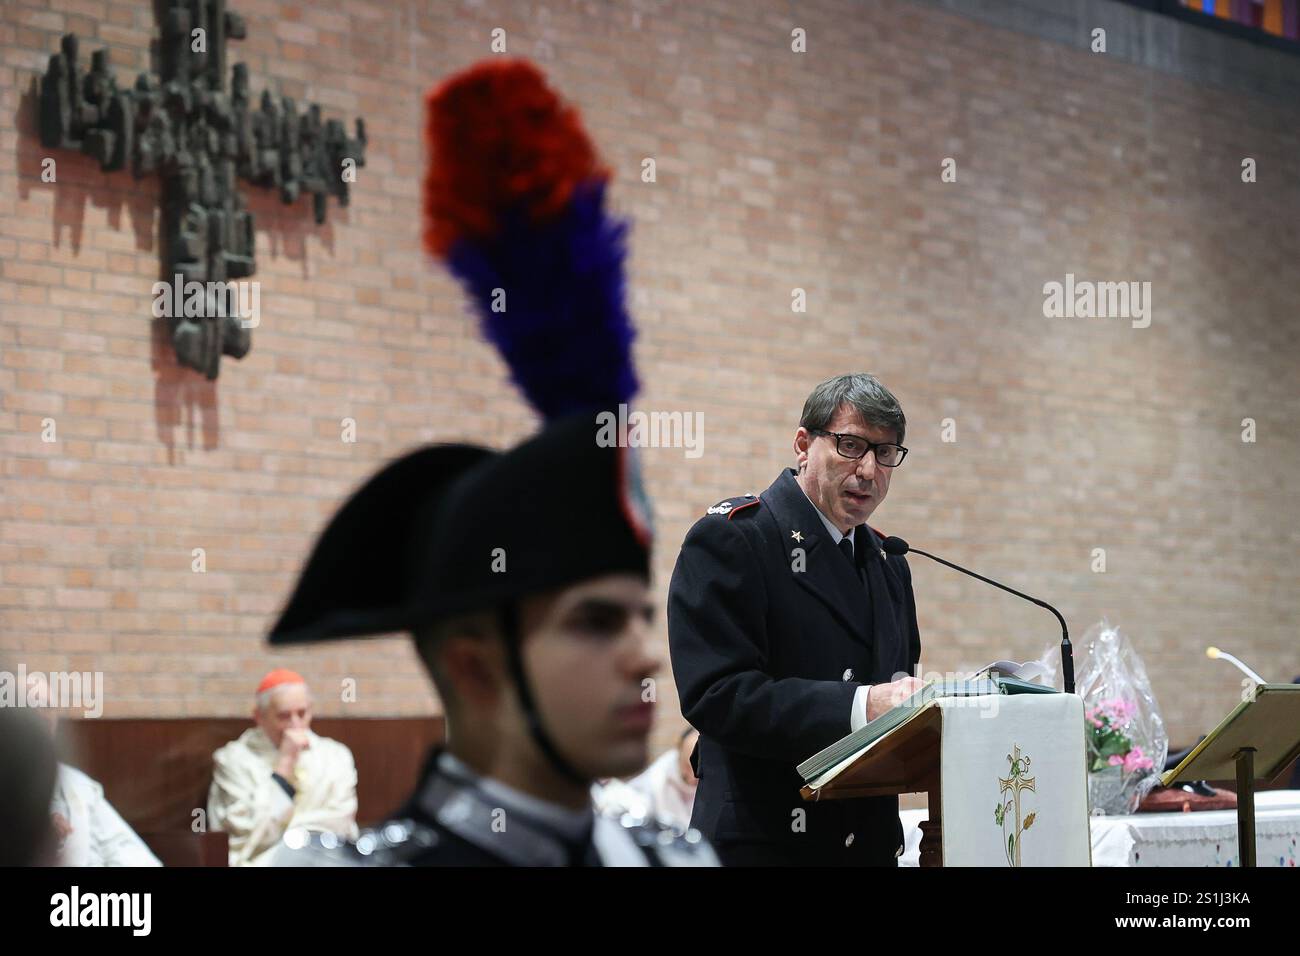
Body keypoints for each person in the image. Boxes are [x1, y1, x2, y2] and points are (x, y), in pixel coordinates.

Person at [264, 59, 714, 867]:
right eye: (596, 621)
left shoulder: (675, 860)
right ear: (474, 667)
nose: (649, 655)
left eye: (642, 614)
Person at [668, 372, 924, 866]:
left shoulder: (889, 561)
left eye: (886, 452)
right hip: (768, 844)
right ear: (803, 444)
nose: (868, 470)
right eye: (850, 446)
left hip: (866, 846)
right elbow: (716, 695)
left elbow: (899, 683)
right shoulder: (736, 540)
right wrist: (860, 705)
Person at [207, 669, 358, 866]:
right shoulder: (234, 761)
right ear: (259, 716)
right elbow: (252, 834)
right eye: (284, 716)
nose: (296, 725)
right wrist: (285, 763)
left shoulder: (336, 756)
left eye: (302, 713)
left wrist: (290, 834)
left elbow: (339, 824)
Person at [25, 670, 161, 867]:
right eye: (30, 705)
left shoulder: (77, 785)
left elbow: (130, 853)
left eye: (48, 706)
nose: (43, 715)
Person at [594, 727, 699, 832]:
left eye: (698, 769)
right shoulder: (657, 779)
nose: (693, 777)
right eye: (687, 767)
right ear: (679, 754)